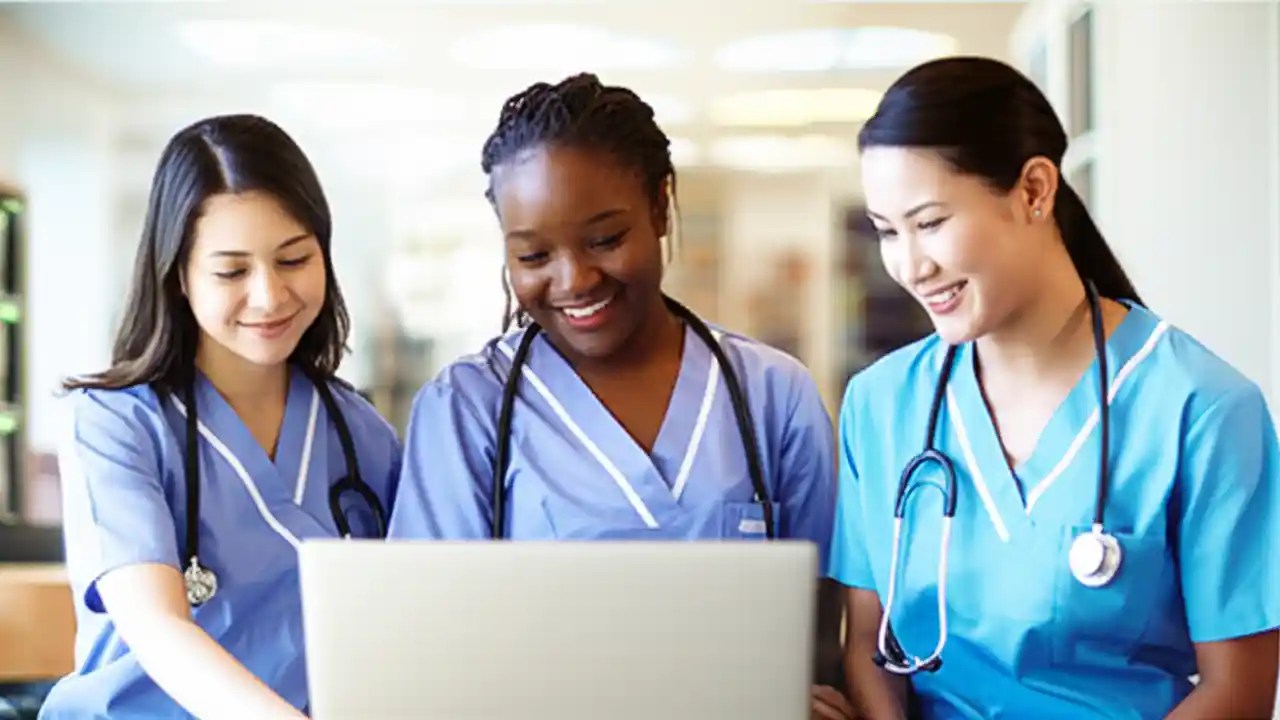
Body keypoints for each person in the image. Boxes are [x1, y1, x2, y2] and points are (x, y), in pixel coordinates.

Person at [823, 55, 1280, 719]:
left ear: (1035, 190)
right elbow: (870, 650)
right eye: (887, 232)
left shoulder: (1202, 409)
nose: (910, 266)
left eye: (930, 223)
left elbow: (1237, 691)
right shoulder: (881, 406)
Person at [386, 73, 843, 708]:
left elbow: (822, 633)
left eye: (605, 240)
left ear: (659, 205)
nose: (574, 280)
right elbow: (429, 648)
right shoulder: (466, 409)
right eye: (533, 256)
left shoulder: (772, 396)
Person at [39, 114, 400, 719]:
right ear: (179, 274)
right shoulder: (113, 424)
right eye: (232, 271)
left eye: (294, 260)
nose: (269, 296)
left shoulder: (361, 435)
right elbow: (157, 626)